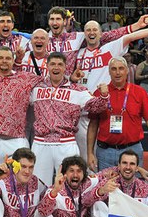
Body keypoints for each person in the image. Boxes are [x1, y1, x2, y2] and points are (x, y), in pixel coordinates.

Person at [30, 52, 106, 186]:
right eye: (53, 64)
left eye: (60, 64)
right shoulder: (35, 88)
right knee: (38, 185)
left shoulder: (78, 90)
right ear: (47, 66)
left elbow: (97, 107)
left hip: (66, 143)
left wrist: (104, 95)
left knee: (69, 185)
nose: (56, 67)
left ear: (65, 67)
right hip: (41, 142)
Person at [87, 56, 148, 172]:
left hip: (132, 151)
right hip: (105, 153)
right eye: (114, 69)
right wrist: (89, 153)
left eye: (121, 68)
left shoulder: (139, 92)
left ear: (127, 71)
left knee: (134, 184)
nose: (117, 72)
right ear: (109, 72)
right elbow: (93, 124)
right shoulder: (99, 93)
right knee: (106, 184)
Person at [0, 46, 43, 181]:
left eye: (7, 58)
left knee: (19, 182)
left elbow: (49, 79)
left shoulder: (25, 77)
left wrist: (73, 79)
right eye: (0, 58)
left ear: (13, 60)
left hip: (17, 141)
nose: (4, 61)